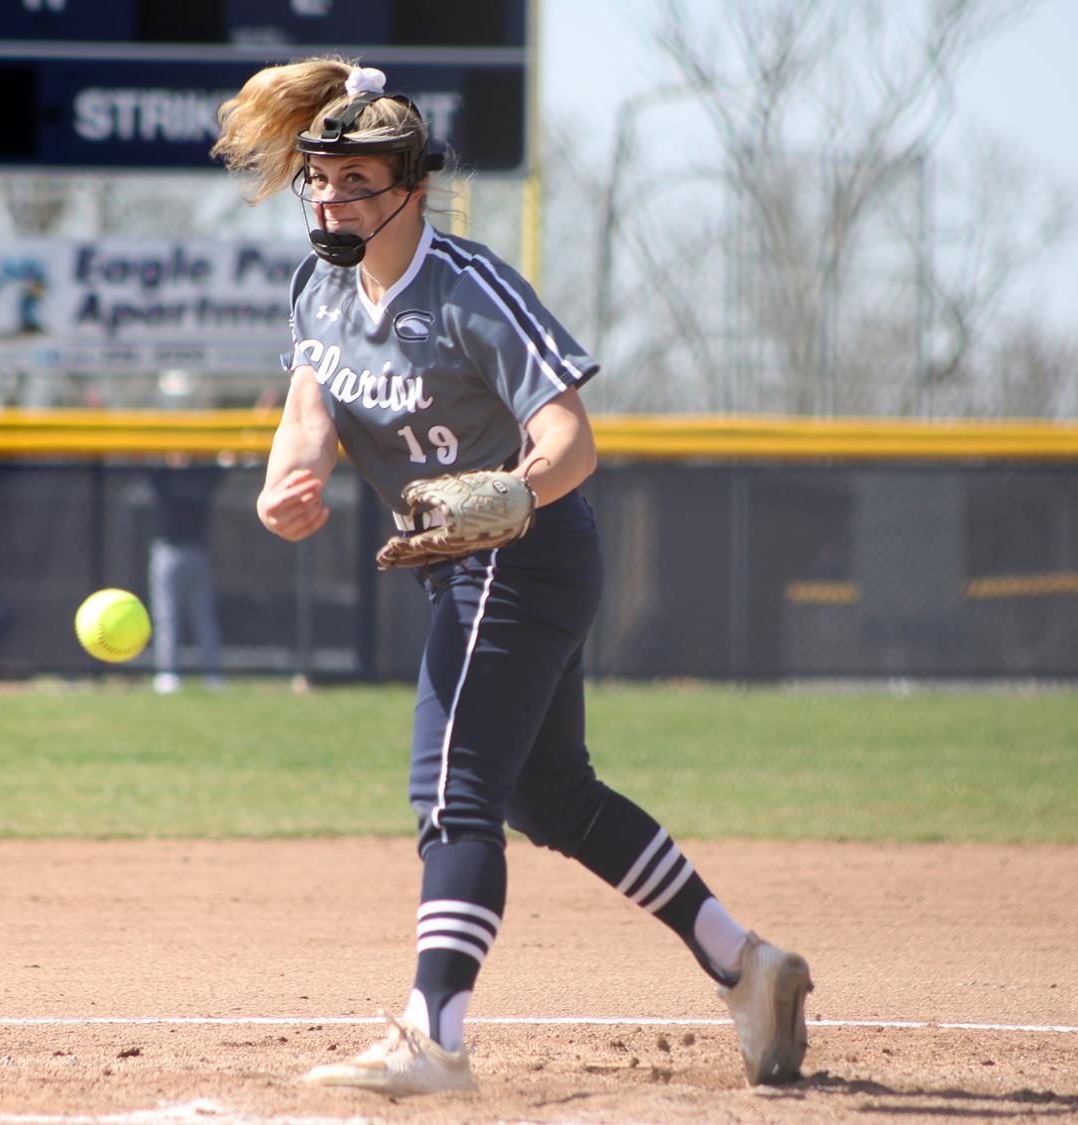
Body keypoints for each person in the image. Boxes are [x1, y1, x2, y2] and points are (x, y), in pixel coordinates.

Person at [213, 58, 814, 1097]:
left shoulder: (466, 287)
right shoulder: (319, 287)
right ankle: (745, 964)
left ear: (410, 187)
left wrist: (514, 493)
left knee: (452, 789)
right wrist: (288, 481)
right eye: (318, 177)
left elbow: (570, 437)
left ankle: (434, 1036)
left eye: (355, 180)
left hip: (519, 554)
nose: (329, 198)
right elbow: (310, 406)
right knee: (555, 798)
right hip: (462, 569)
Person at [148, 453, 226, 693]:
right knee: (166, 615)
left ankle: (212, 673)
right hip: (168, 551)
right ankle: (167, 673)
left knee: (203, 615)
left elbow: (221, 469)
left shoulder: (201, 475)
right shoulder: (163, 475)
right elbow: (147, 464)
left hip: (196, 551)